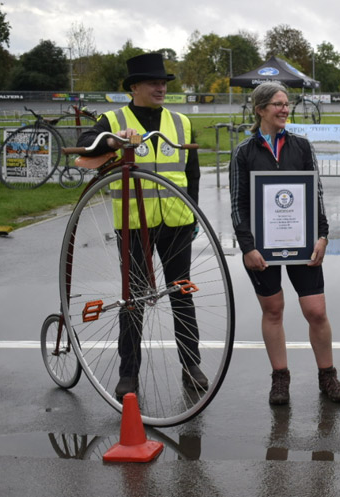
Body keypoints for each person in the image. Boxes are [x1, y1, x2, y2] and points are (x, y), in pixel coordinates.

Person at [76, 52, 208, 401]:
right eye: (153, 82)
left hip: (177, 222)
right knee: (132, 300)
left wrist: (193, 214)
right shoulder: (113, 118)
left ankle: (191, 364)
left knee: (182, 294)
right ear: (134, 87)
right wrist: (112, 140)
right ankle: (128, 373)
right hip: (135, 224)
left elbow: (191, 172)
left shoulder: (180, 122)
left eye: (164, 82)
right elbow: (86, 148)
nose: (161, 88)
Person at [230, 82, 340, 405]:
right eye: (277, 104)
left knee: (316, 312)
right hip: (261, 247)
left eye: (287, 104)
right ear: (260, 109)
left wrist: (322, 235)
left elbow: (317, 194)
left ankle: (328, 375)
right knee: (273, 310)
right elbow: (238, 203)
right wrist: (247, 247)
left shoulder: (301, 146)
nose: (285, 109)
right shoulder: (243, 152)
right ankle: (280, 378)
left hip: (302, 243)